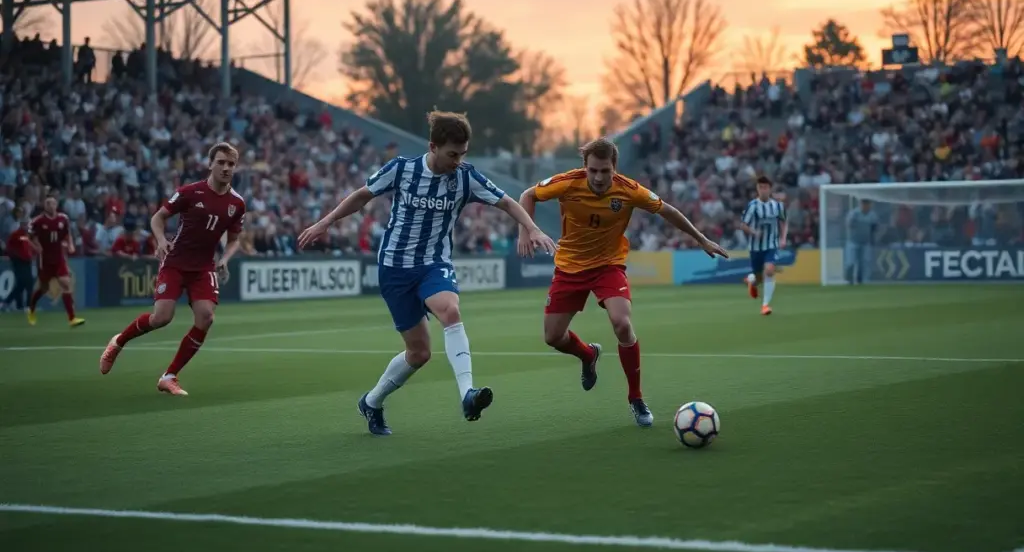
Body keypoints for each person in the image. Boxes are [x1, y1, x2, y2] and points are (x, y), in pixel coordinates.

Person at [297, 110, 557, 436]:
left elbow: (506, 202)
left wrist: (531, 228)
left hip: (434, 263)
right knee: (419, 353)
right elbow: (363, 195)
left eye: (463, 154)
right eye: (452, 154)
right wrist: (325, 222)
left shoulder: (466, 176)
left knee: (450, 310)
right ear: (432, 146)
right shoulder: (402, 169)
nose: (458, 161)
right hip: (394, 268)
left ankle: (467, 395)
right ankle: (372, 402)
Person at [517, 139, 727, 427]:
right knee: (553, 337)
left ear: (615, 168)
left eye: (605, 171)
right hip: (569, 268)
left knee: (622, 323)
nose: (599, 178)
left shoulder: (629, 190)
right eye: (593, 171)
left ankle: (636, 398)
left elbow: (668, 211)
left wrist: (700, 238)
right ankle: (588, 355)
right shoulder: (567, 183)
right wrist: (527, 231)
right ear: (585, 168)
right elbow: (528, 195)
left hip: (608, 266)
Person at [99, 143, 247, 396]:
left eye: (231, 164)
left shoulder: (237, 203)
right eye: (221, 162)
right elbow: (158, 218)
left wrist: (225, 259)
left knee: (206, 318)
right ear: (210, 164)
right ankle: (118, 342)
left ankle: (169, 376)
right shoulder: (190, 192)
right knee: (162, 318)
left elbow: (234, 239)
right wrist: (160, 240)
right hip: (176, 262)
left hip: (203, 267)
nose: (225, 168)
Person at [27, 195, 85, 327]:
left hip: (58, 257)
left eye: (53, 203)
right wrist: (37, 248)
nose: (51, 206)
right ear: (44, 205)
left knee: (65, 283)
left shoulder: (63, 219)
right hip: (45, 259)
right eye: (48, 203)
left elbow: (67, 233)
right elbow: (30, 237)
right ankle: (31, 309)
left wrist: (70, 244)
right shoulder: (38, 221)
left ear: (56, 204)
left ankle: (72, 318)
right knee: (44, 287)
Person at [738, 175, 787, 315]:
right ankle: (752, 281)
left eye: (765, 187)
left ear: (770, 189)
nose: (763, 190)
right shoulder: (752, 206)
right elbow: (743, 225)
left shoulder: (777, 206)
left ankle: (765, 305)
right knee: (759, 277)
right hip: (755, 248)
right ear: (757, 189)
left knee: (769, 270)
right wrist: (753, 232)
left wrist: (783, 238)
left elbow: (783, 222)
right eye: (760, 187)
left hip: (771, 245)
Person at [4, 207, 38, 311]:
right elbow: (9, 247)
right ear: (21, 224)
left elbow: (28, 247)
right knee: (26, 283)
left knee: (23, 284)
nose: (27, 226)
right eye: (25, 224)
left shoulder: (26, 235)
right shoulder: (16, 235)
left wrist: (32, 254)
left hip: (26, 261)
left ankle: (12, 304)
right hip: (19, 261)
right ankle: (27, 305)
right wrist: (15, 256)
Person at [845, 199, 879, 284]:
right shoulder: (854, 214)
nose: (866, 206)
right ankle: (849, 279)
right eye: (864, 204)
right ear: (861, 204)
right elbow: (848, 224)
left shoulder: (872, 215)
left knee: (864, 263)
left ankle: (861, 281)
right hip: (853, 241)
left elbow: (875, 228)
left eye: (868, 204)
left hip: (866, 242)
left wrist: (872, 239)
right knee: (850, 262)